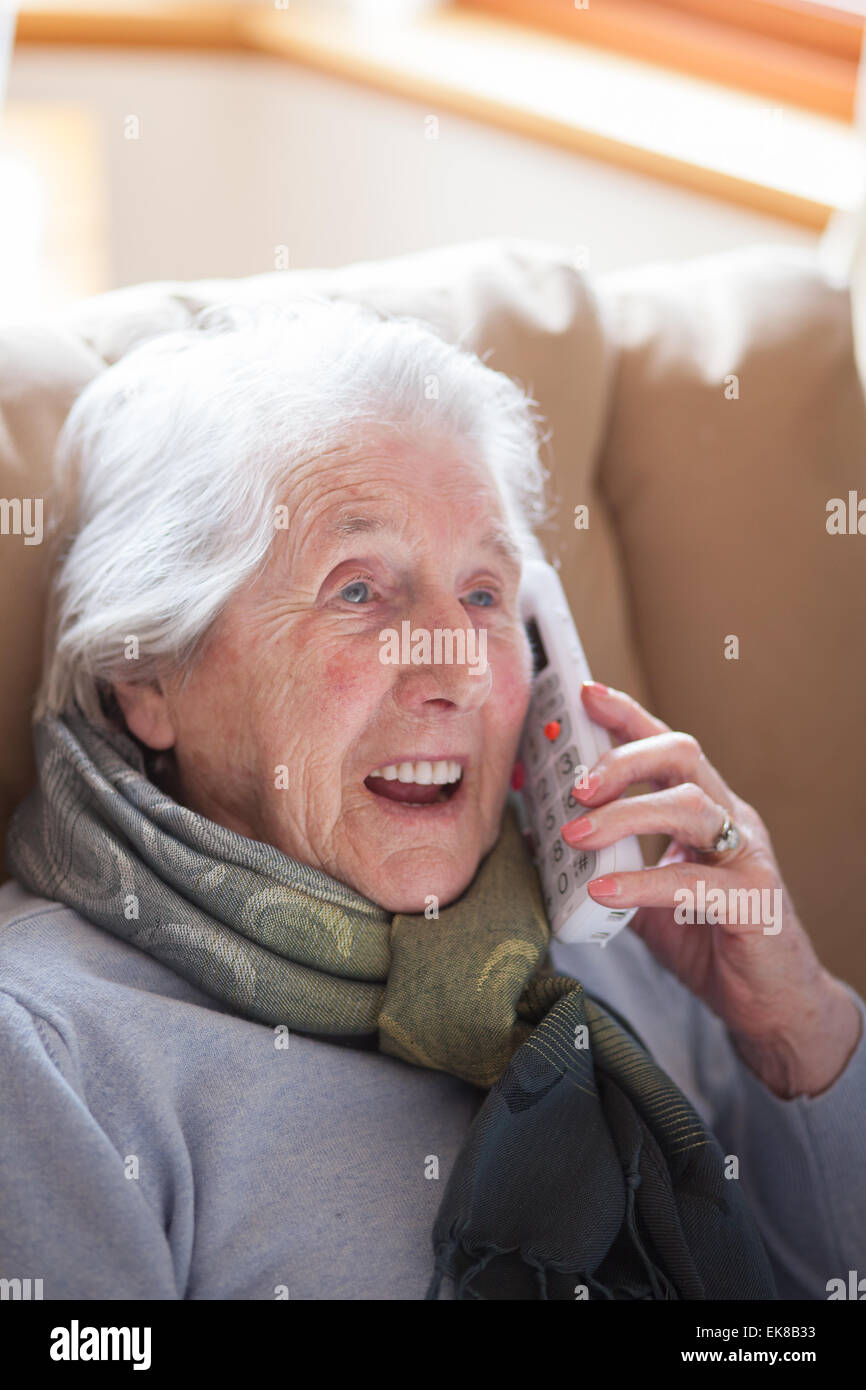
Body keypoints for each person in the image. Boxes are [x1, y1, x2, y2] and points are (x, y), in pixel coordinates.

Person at [0, 297, 863, 1301]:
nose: (452, 665)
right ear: (146, 675)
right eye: (358, 589)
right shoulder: (50, 1055)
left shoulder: (628, 942)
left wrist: (795, 1031)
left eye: (485, 594)